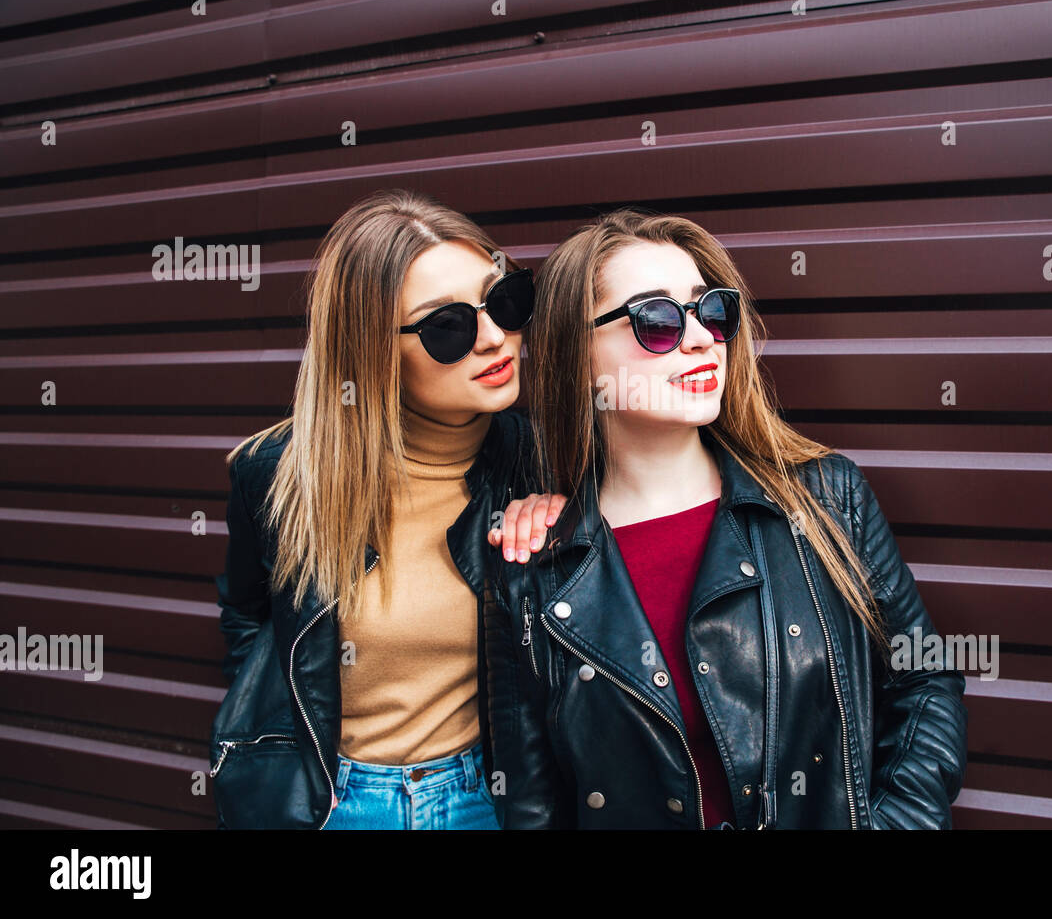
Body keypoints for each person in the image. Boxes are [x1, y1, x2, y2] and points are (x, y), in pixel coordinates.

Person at [483, 208, 968, 829]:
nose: (699, 337)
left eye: (709, 310)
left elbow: (924, 679)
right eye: (655, 320)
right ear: (576, 356)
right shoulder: (533, 568)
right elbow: (531, 807)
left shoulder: (825, 499)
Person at [210, 188, 539, 829]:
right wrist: (289, 760)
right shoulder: (276, 476)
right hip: (334, 804)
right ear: (372, 350)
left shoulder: (540, 465)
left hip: (484, 799)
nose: (497, 338)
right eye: (449, 326)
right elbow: (248, 622)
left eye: (504, 300)